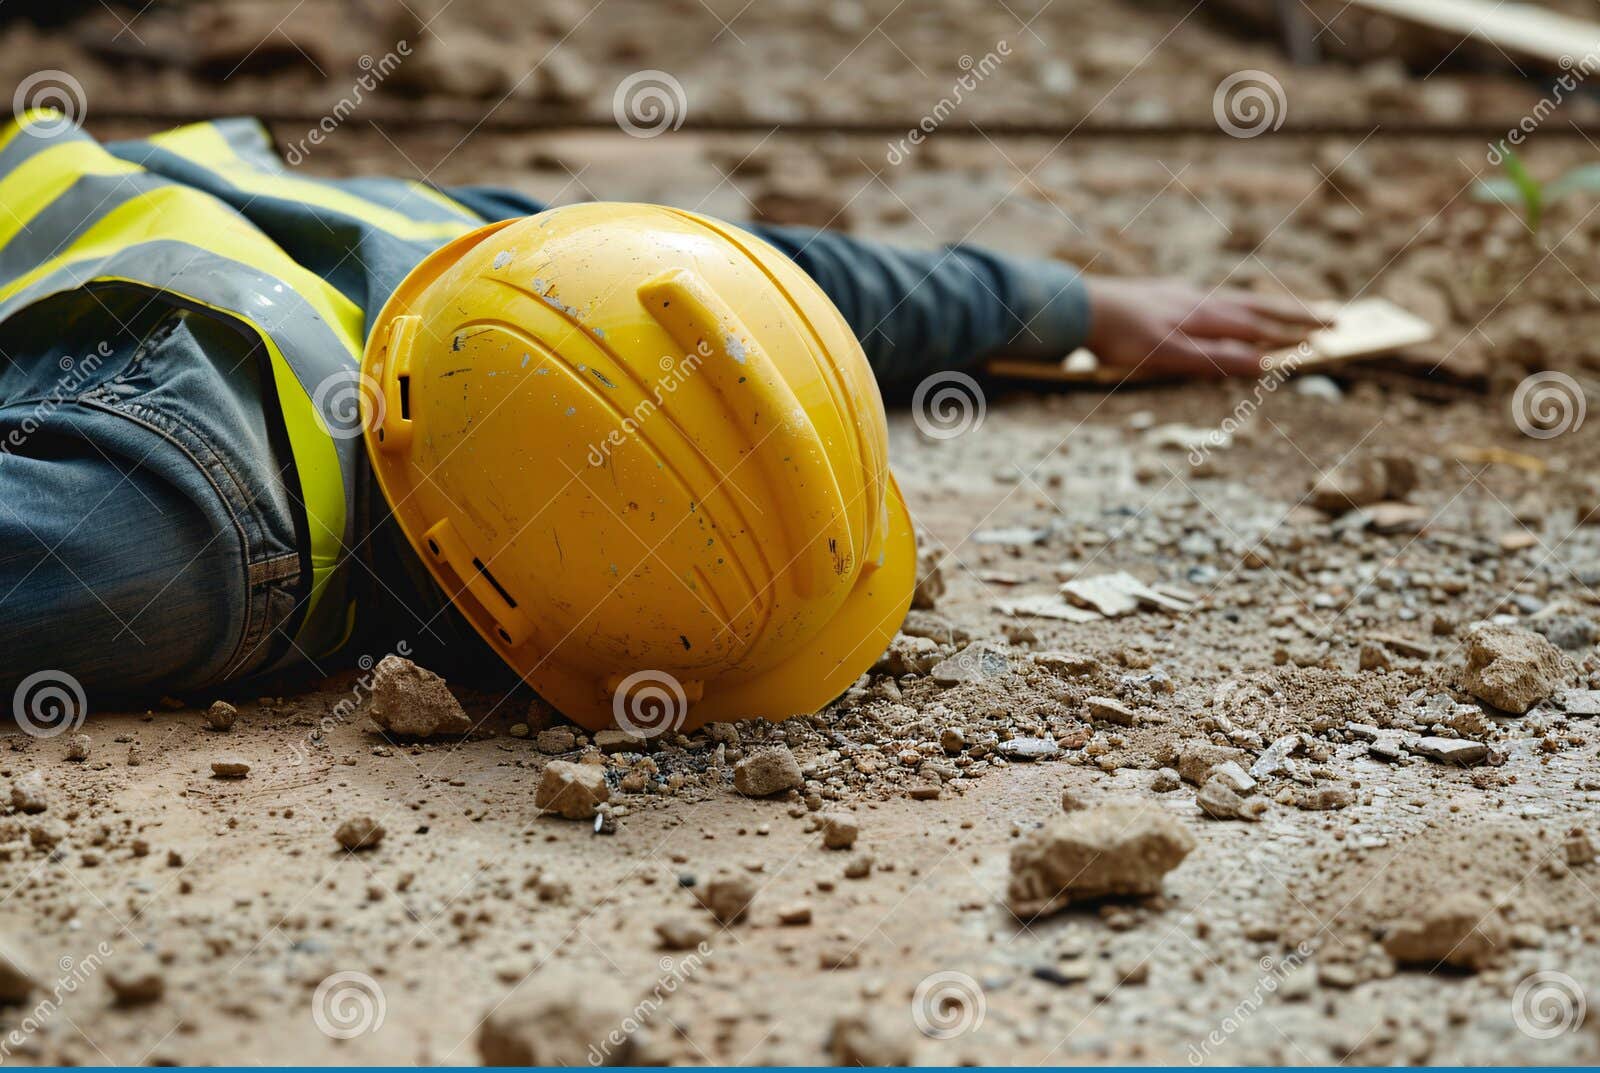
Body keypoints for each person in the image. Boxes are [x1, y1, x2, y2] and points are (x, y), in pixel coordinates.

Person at [0, 111, 1320, 730]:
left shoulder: (495, 272)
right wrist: (1054, 298)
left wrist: (1061, 303)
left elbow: (781, 301)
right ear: (498, 626)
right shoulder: (170, 542)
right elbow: (771, 289)